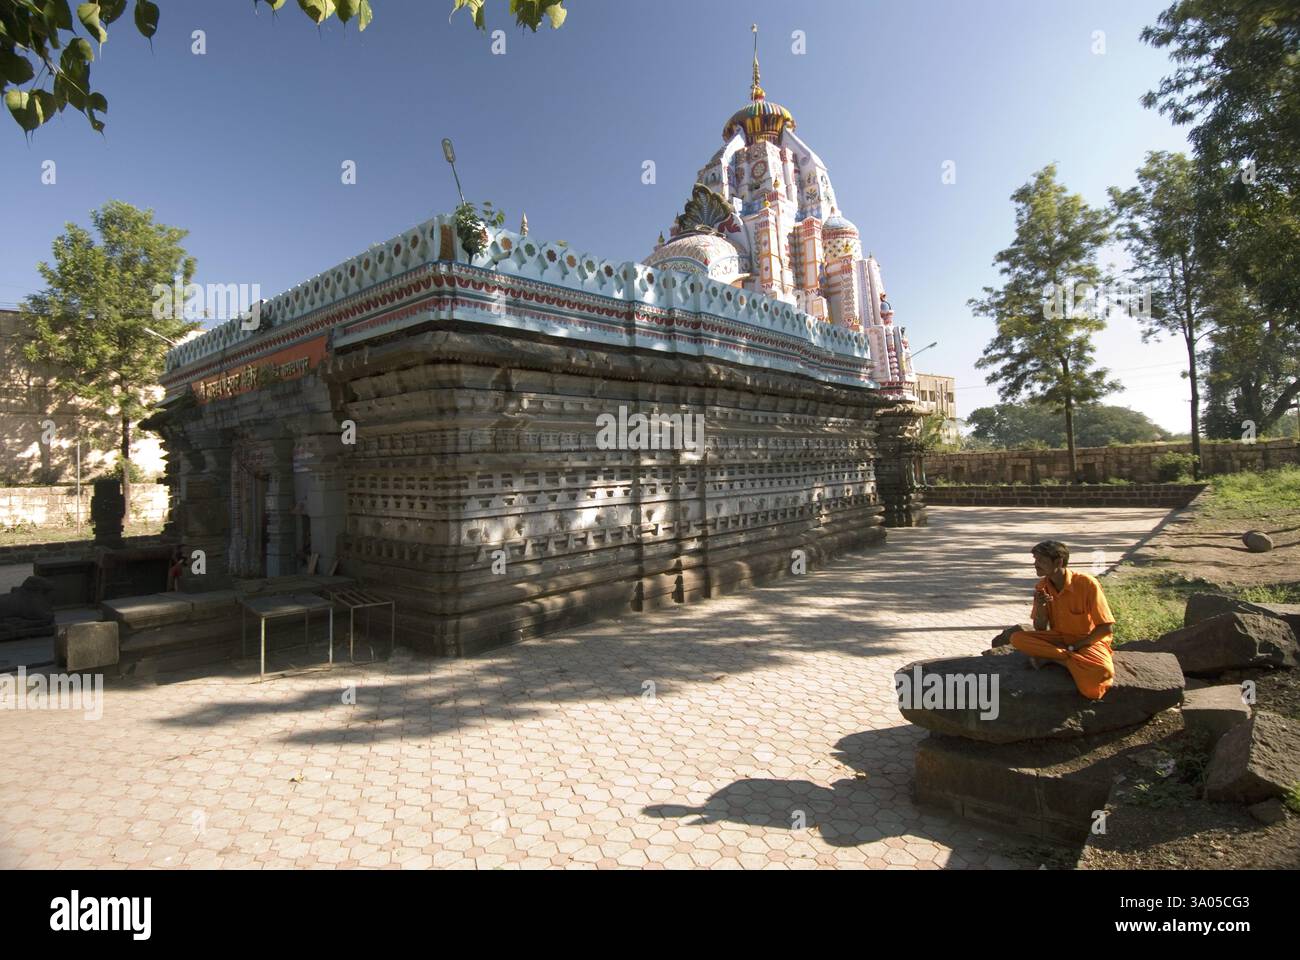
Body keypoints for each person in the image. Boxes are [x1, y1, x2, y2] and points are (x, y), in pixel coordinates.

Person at [1009, 540, 1116, 700]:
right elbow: (1040, 628)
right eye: (1035, 560)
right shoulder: (1042, 587)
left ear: (1058, 562)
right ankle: (1065, 660)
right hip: (1059, 639)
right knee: (1017, 638)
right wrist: (1040, 607)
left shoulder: (1087, 583)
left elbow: (1105, 628)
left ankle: (1052, 657)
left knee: (1096, 684)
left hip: (1088, 641)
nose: (1036, 565)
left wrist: (1078, 646)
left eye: (1041, 561)